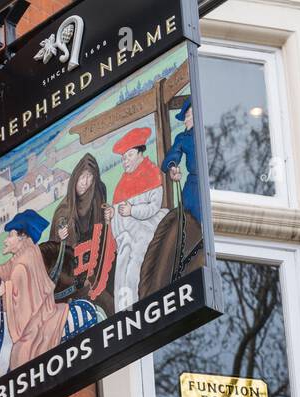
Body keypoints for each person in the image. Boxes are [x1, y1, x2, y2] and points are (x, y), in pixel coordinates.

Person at [0, 211, 72, 369]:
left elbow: (24, 298)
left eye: (10, 235)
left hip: (37, 321)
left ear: (22, 237)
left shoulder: (24, 262)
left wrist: (6, 290)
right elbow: (1, 272)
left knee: (21, 355)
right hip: (35, 315)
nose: (5, 241)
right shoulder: (22, 257)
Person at [46, 154, 116, 314]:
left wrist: (109, 217)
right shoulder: (64, 210)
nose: (85, 182)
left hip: (99, 258)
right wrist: (61, 235)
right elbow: (56, 252)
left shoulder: (98, 193)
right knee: (106, 302)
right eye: (82, 177)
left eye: (89, 177)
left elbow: (103, 225)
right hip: (75, 272)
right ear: (75, 178)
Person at [109, 126, 168, 312]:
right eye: (123, 158)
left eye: (128, 156)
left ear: (138, 153)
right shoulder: (122, 182)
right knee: (122, 264)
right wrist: (113, 215)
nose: (124, 162)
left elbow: (153, 207)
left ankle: (135, 304)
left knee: (136, 259)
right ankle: (122, 308)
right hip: (126, 233)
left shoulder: (152, 173)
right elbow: (118, 211)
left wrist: (132, 210)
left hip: (147, 226)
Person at [162, 97, 203, 224]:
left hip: (213, 181)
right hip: (193, 184)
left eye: (187, 116)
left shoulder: (210, 131)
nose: (185, 121)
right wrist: (172, 168)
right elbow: (172, 156)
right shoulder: (182, 138)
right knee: (185, 219)